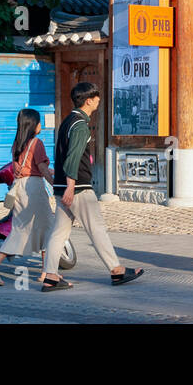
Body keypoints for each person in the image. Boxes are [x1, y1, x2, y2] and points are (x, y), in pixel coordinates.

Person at [40, 83, 143, 291]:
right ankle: (116, 270)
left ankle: (50, 275)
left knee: (58, 233)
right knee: (97, 229)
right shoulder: (79, 124)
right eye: (96, 97)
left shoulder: (68, 121)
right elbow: (73, 158)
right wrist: (71, 187)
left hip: (64, 186)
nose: (98, 100)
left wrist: (64, 186)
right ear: (88, 100)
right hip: (78, 188)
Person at [0, 108, 53, 286]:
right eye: (38, 121)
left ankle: (46, 271)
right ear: (32, 124)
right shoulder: (37, 143)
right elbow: (42, 170)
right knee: (44, 228)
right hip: (33, 189)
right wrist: (56, 185)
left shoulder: (17, 145)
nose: (41, 125)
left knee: (41, 227)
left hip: (20, 187)